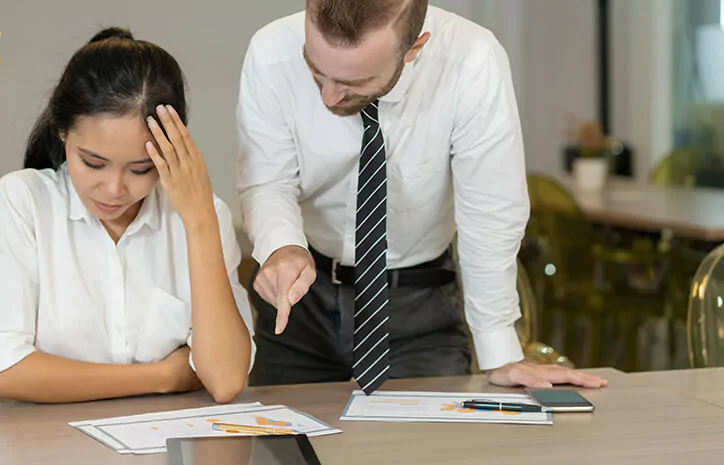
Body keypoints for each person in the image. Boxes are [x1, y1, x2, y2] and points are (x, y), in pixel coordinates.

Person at [236, 1, 607, 392]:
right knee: (285, 449)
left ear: (415, 48)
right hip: (299, 304)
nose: (329, 97)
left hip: (420, 305)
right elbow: (268, 181)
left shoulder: (473, 61)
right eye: (316, 70)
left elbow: (490, 214)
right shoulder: (271, 51)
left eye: (354, 83)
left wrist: (500, 351)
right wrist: (281, 247)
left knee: (427, 449)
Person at [0, 27, 254, 404]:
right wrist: (163, 375)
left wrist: (199, 224)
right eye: (93, 163)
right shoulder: (25, 202)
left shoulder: (201, 216)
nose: (115, 189)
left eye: (140, 169)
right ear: (62, 132)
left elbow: (226, 379)